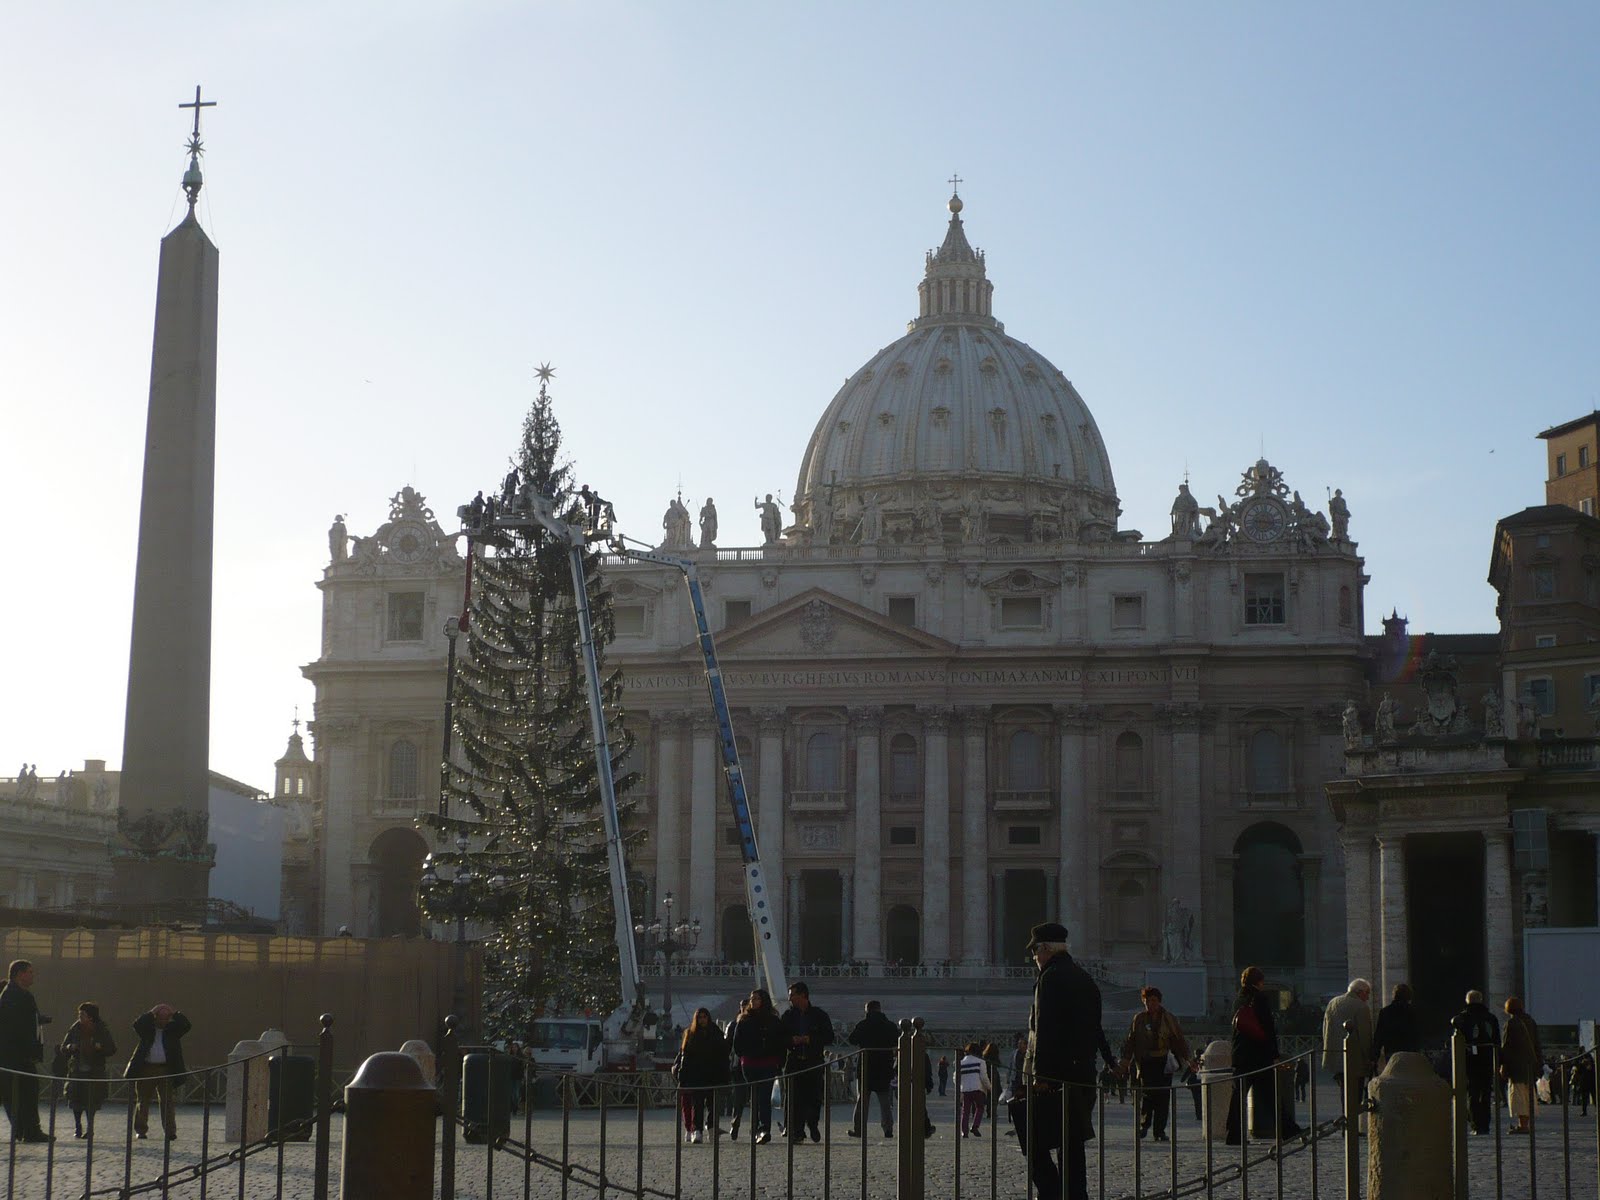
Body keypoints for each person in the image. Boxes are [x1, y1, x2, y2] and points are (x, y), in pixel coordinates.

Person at [1009, 922, 1100, 1200]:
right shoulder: (1085, 978)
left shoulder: (1049, 978)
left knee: (1032, 1137)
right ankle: (1075, 1195)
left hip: (1055, 1077)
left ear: (1046, 948)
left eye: (1035, 950)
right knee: (1071, 1143)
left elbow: (1045, 1028)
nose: (1034, 957)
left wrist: (1040, 1077)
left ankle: (1051, 1193)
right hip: (1083, 1074)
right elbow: (1096, 1028)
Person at [1226, 966, 1295, 1143]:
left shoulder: (1238, 1000)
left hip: (1240, 1054)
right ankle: (1288, 1130)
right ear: (1259, 982)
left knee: (1238, 1096)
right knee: (1270, 1096)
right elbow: (1268, 1029)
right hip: (1259, 1055)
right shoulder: (1260, 999)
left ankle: (1233, 1134)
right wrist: (1275, 1054)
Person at [1119, 985, 1194, 1142]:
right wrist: (1125, 1062)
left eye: (1153, 1001)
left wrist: (1189, 1060)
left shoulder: (1168, 1018)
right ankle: (1144, 1124)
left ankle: (1159, 1130)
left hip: (1163, 1062)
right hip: (1146, 1062)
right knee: (1147, 1095)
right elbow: (1130, 1041)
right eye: (1147, 1001)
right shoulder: (1139, 1019)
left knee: (1163, 1097)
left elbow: (1178, 1040)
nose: (1150, 1004)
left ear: (1159, 1001)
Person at [124, 1003, 191, 1140]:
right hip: (146, 1068)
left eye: (166, 1019)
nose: (163, 1021)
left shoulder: (173, 1031)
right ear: (155, 1018)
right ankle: (141, 1130)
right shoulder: (147, 1030)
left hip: (166, 1069)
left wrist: (174, 1012)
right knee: (142, 1101)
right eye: (160, 1018)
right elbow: (137, 1024)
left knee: (167, 1101)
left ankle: (170, 1131)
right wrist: (152, 1011)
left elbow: (186, 1025)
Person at [0, 960, 49, 1142]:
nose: (32, 975)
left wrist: (39, 1019)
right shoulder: (12, 996)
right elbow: (13, 1026)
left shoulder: (21, 995)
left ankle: (27, 1130)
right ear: (19, 974)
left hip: (21, 1055)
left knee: (27, 1093)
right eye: (29, 972)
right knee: (19, 1094)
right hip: (15, 1056)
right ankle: (26, 1131)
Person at [779, 981, 833, 1143]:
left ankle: (813, 1124)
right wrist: (791, 1040)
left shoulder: (819, 1015)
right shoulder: (788, 1016)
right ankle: (797, 1132)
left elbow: (829, 1036)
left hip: (813, 1061)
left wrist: (810, 1039)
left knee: (814, 1097)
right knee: (794, 1098)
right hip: (794, 1061)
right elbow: (780, 1038)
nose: (790, 1000)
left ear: (803, 995)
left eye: (792, 996)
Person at [731, 989, 784, 1144]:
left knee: (763, 1098)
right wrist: (744, 1057)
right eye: (752, 998)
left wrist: (776, 1060)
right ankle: (756, 1128)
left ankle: (763, 1129)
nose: (753, 1001)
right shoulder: (744, 1020)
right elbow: (737, 1043)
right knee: (755, 1097)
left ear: (764, 1001)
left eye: (756, 999)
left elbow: (779, 1041)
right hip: (750, 1064)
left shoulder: (773, 1020)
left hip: (767, 1063)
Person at [59, 1002, 116, 1137]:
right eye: (79, 1014)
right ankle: (77, 1126)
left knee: (91, 1101)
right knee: (75, 1100)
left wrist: (100, 1048)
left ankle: (90, 1129)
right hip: (77, 1070)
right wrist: (69, 1048)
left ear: (90, 1016)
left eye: (83, 1014)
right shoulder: (75, 1028)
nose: (80, 1016)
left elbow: (112, 1049)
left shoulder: (101, 1029)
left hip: (94, 1071)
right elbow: (63, 1047)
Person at [1321, 978, 1374, 1122]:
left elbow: (1325, 1030)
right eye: (1367, 993)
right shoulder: (1361, 1007)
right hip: (1355, 1059)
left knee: (1344, 1092)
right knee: (1354, 1096)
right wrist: (1369, 1058)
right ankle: (1350, 1128)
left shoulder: (1333, 1003)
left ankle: (1347, 1126)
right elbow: (1364, 1036)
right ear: (1360, 992)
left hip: (1335, 1058)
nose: (1368, 997)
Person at [673, 1007, 728, 1144]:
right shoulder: (690, 1034)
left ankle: (711, 1128)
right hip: (696, 1075)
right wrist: (683, 1074)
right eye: (700, 1017)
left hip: (712, 1074)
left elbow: (723, 1055)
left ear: (708, 1018)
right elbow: (685, 1056)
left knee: (712, 1105)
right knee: (697, 1104)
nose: (702, 1020)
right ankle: (697, 1130)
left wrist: (724, 1075)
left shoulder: (716, 1033)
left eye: (704, 1017)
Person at [1450, 989, 1500, 1135]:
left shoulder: (1462, 1019)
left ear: (1467, 1001)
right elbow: (1496, 1040)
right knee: (1485, 1092)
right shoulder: (1491, 1018)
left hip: (1470, 1060)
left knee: (1472, 1092)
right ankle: (1485, 1124)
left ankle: (1475, 1124)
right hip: (1487, 1059)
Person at [846, 1000, 896, 1139]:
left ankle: (859, 1129)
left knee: (862, 1100)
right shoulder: (890, 1025)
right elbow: (895, 1041)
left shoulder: (863, 1025)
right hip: (884, 1067)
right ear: (880, 1009)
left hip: (866, 1066)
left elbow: (852, 1040)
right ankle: (888, 1129)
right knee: (885, 1101)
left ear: (867, 1010)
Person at [1501, 996, 1543, 1135]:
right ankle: (1525, 1124)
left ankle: (1523, 1125)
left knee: (1518, 1097)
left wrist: (1502, 1065)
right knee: (1528, 1095)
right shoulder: (1531, 1021)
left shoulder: (1511, 1024)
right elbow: (1537, 1044)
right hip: (1530, 1065)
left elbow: (1506, 1047)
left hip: (1516, 1066)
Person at [1371, 982, 1421, 1072]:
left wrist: (1375, 1056)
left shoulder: (1385, 1012)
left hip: (1391, 1051)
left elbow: (1379, 1035)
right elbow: (1418, 1034)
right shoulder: (1413, 1012)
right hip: (1409, 1052)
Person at [958, 1042, 990, 1137]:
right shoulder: (980, 1061)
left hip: (966, 1089)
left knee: (965, 1111)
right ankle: (975, 1126)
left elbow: (956, 1076)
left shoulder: (961, 1062)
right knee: (980, 1107)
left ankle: (964, 1131)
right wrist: (989, 1087)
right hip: (977, 1088)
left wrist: (960, 1085)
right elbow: (984, 1077)